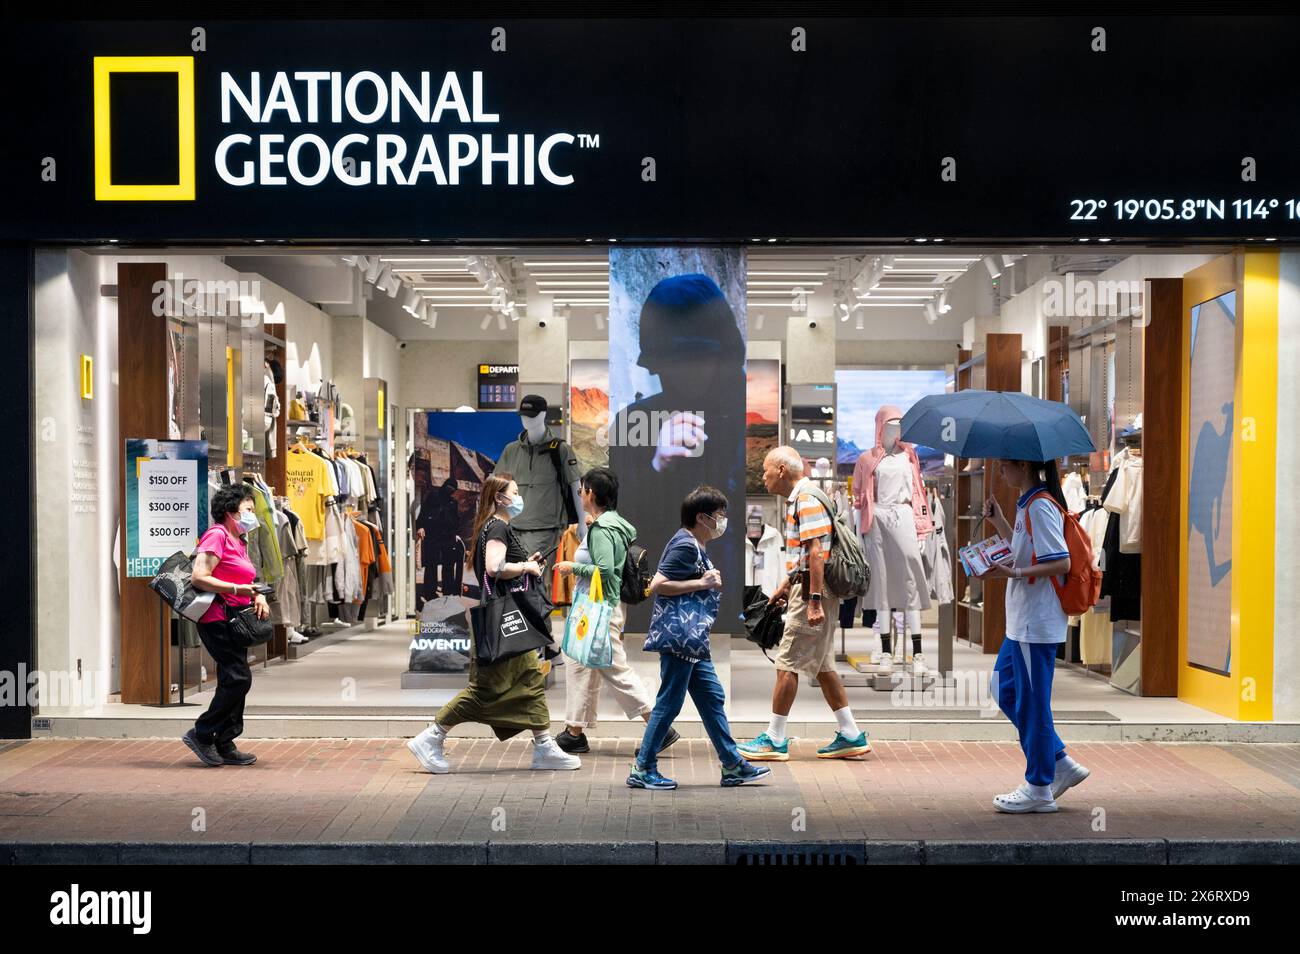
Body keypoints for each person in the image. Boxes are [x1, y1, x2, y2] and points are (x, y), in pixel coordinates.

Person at [406, 473, 580, 774]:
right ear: (500, 497)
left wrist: (526, 564)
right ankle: (431, 737)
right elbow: (495, 567)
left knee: (530, 678)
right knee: (485, 690)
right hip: (505, 622)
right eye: (515, 491)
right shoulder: (498, 525)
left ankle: (544, 746)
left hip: (508, 622)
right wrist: (526, 566)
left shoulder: (491, 525)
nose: (519, 496)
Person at [629, 485, 771, 790]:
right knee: (669, 702)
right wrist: (701, 581)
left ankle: (732, 765)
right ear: (701, 517)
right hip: (682, 637)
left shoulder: (693, 543)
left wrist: (701, 581)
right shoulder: (685, 545)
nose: (723, 520)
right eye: (719, 514)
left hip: (693, 639)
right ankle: (643, 768)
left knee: (711, 698)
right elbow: (658, 584)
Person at [738, 446, 871, 762]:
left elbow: (815, 553)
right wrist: (787, 584)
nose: (763, 476)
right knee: (823, 667)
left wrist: (811, 601)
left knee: (787, 663)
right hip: (811, 588)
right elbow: (808, 553)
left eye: (766, 471)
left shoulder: (806, 499)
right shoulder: (804, 498)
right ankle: (851, 734)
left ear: (782, 470)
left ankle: (774, 738)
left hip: (815, 592)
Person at [979, 458, 1091, 813]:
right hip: (1023, 623)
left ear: (1023, 466)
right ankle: (1058, 760)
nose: (1000, 471)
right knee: (1003, 688)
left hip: (1035, 623)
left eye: (1003, 465)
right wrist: (999, 522)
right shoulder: (1029, 502)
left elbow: (1061, 562)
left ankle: (1039, 786)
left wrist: (1013, 573)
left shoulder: (1041, 505)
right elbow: (1026, 549)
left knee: (1032, 702)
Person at [553, 467, 657, 753]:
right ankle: (574, 731)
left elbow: (605, 570)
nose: (580, 494)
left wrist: (571, 566)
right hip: (599, 607)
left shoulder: (602, 529)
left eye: (582, 489)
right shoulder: (610, 523)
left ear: (591, 494)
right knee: (579, 664)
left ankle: (658, 726)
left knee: (615, 669)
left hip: (599, 609)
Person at [182, 484, 271, 767]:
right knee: (238, 677)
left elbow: (244, 577)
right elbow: (199, 576)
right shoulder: (217, 535)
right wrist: (239, 589)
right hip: (215, 619)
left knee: (233, 678)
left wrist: (256, 594)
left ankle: (225, 740)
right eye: (247, 510)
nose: (251, 516)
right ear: (231, 512)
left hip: (234, 618)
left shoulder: (238, 538)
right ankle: (203, 733)